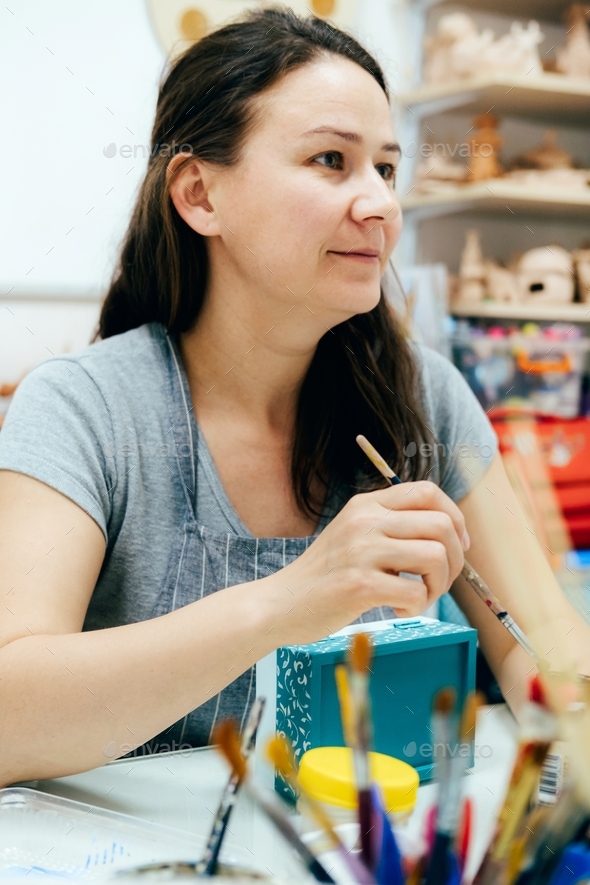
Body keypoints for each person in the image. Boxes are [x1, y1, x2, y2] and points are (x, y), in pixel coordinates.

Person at [0, 8, 588, 786]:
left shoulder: (427, 396)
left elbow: (543, 645)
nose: (380, 204)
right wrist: (289, 601)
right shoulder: (83, 410)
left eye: (386, 169)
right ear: (200, 195)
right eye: (329, 160)